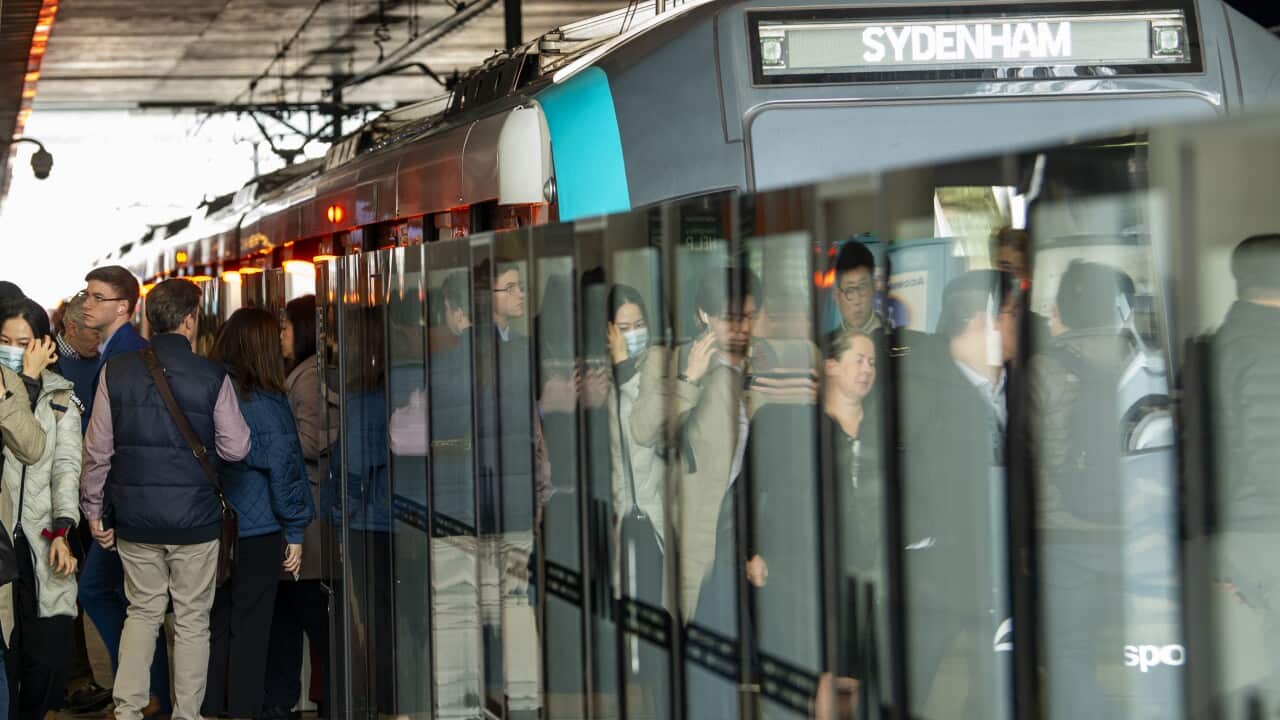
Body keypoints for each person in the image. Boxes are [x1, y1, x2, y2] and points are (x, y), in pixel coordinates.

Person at [80, 278, 252, 720]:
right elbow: (235, 448)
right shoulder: (214, 376)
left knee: (142, 612)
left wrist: (94, 511)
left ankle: (129, 709)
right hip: (195, 521)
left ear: (147, 319)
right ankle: (187, 715)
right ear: (190, 320)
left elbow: (97, 451)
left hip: (136, 522)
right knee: (193, 620)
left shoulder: (115, 373)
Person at [898, 269, 1017, 718]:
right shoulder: (919, 388)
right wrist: (925, 539)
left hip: (993, 569)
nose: (1018, 323)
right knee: (911, 680)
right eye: (1008, 313)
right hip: (937, 573)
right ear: (979, 321)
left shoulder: (1013, 385)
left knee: (994, 687)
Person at [1028, 260, 1138, 718]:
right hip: (1131, 529)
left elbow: (1026, 455)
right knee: (1140, 647)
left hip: (1062, 534)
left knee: (1070, 649)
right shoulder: (1138, 356)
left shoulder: (1040, 367)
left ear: (1059, 309)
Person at [201, 308, 314, 719]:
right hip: (257, 530)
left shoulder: (210, 388)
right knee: (251, 631)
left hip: (212, 527)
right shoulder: (266, 401)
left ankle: (211, 707)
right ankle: (244, 710)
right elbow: (285, 471)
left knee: (214, 625)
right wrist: (297, 532)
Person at [631, 265, 759, 619]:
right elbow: (642, 429)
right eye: (730, 317)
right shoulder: (669, 361)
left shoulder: (762, 367)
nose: (740, 328)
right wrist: (689, 378)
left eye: (748, 317)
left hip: (745, 541)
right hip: (691, 540)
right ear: (703, 315)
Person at [75, 267, 172, 718]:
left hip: (123, 499)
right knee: (133, 599)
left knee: (103, 592)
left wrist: (103, 508)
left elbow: (117, 440)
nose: (86, 304)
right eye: (86, 295)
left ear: (124, 308)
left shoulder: (126, 354)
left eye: (97, 297)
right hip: (130, 496)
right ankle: (143, 689)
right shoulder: (118, 351)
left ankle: (141, 690)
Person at [0, 298, 82, 719]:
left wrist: (62, 530)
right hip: (2, 551)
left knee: (47, 660)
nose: (14, 350)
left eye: (23, 342)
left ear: (46, 346)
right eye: (5, 342)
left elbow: (65, 469)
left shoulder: (62, 398)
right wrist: (23, 382)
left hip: (42, 541)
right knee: (7, 662)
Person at [261, 295, 334, 720]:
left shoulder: (308, 379)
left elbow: (312, 441)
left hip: (306, 511)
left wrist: (270, 443)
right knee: (296, 610)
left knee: (302, 610)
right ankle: (286, 699)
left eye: (287, 327)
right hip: (304, 508)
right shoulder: (305, 374)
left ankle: (293, 699)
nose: (281, 335)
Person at [1214, 234, 1280, 696]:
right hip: (1268, 527)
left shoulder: (1224, 340)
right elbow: (1270, 453)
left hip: (1241, 526)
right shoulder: (1267, 347)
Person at [830, 241, 881, 338]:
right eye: (850, 290)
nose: (857, 300)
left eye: (862, 288)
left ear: (874, 287)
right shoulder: (826, 348)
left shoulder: (895, 341)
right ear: (837, 296)